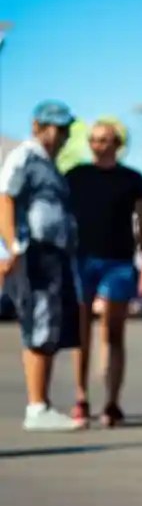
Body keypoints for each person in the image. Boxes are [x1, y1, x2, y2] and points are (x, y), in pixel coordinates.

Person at [0, 100, 85, 431]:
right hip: (34, 251)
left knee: (51, 327)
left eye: (64, 129)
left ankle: (43, 403)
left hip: (55, 253)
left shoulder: (51, 165)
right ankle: (36, 406)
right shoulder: (25, 157)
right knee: (38, 323)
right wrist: (12, 247)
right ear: (38, 126)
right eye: (55, 127)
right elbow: (5, 198)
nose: (60, 135)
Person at [65, 118, 142, 427]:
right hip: (81, 259)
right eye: (94, 140)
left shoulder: (132, 180)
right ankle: (81, 398)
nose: (99, 145)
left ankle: (112, 402)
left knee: (114, 333)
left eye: (105, 140)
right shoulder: (76, 176)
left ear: (118, 144)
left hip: (119, 261)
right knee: (81, 331)